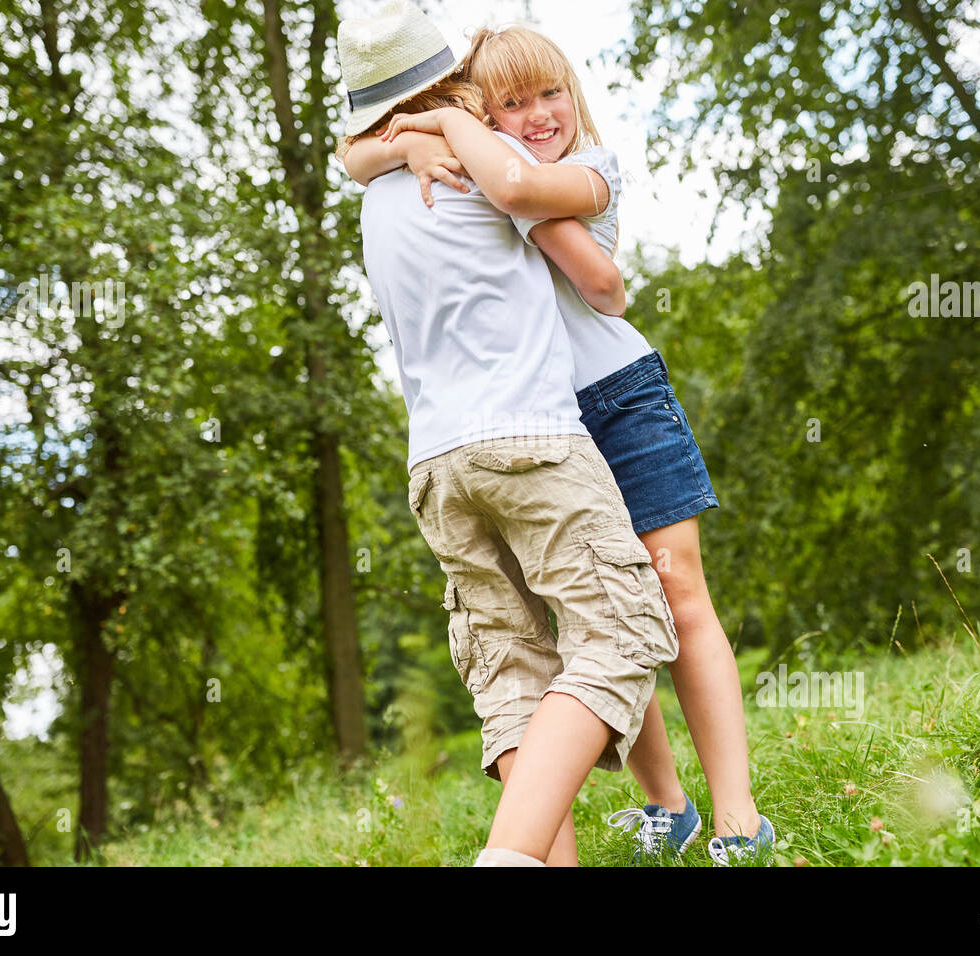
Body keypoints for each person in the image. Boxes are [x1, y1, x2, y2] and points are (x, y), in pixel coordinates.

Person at [367, 21, 776, 865]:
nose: (536, 112)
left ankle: (736, 818)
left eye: (550, 92)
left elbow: (604, 286)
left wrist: (474, 164)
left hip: (615, 398)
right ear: (479, 110)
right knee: (590, 619)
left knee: (675, 595)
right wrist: (418, 140)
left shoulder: (576, 170)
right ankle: (668, 805)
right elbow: (357, 154)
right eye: (509, 103)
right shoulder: (467, 164)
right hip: (533, 419)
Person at [334, 0, 679, 867]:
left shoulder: (379, 190)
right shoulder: (486, 163)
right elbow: (596, 274)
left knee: (514, 671)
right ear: (452, 87)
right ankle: (510, 858)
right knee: (621, 632)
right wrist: (454, 124)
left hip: (437, 466)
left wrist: (404, 135)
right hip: (530, 439)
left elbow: (354, 155)